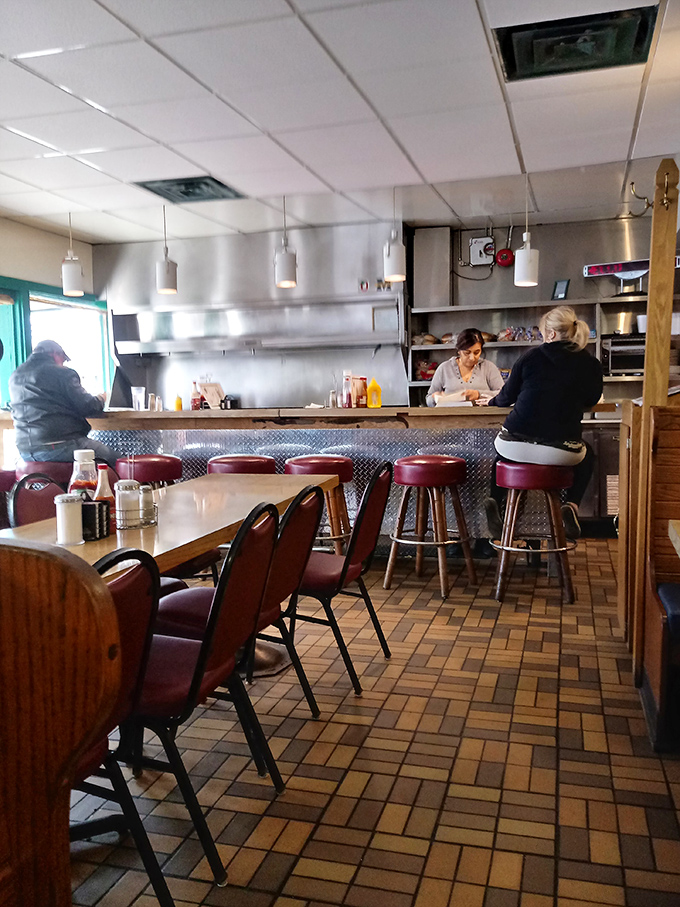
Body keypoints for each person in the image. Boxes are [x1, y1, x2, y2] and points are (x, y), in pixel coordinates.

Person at [484, 306, 603, 540]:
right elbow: (591, 400)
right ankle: (571, 506)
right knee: (588, 455)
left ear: (551, 334)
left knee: (502, 455)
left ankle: (495, 501)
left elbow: (506, 397)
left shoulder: (530, 357)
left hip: (515, 444)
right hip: (561, 451)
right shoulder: (590, 363)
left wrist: (490, 401)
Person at [9, 339, 120, 468]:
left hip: (25, 451)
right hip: (60, 445)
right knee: (118, 462)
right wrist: (102, 398)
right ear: (55, 353)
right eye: (63, 359)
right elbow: (88, 406)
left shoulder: (15, 376)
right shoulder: (62, 373)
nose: (63, 363)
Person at [426, 328, 505, 406]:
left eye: (476, 352)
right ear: (459, 351)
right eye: (467, 353)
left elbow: (503, 395)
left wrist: (479, 394)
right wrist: (434, 398)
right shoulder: (444, 368)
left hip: (483, 414)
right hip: (451, 414)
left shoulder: (489, 367)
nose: (472, 358)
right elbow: (429, 400)